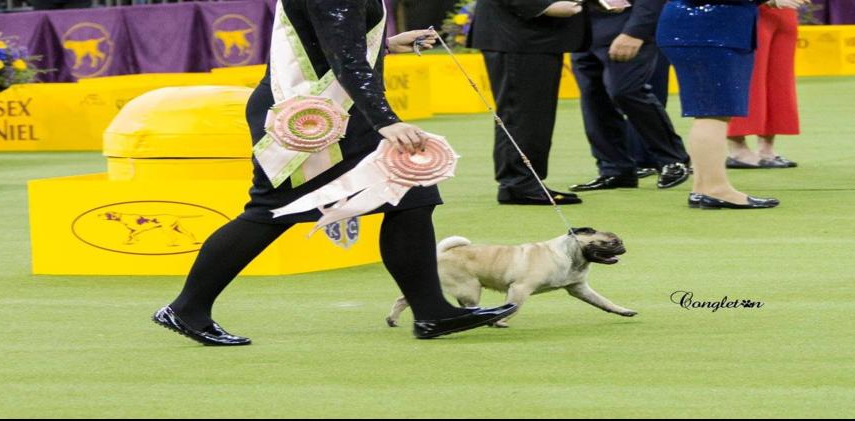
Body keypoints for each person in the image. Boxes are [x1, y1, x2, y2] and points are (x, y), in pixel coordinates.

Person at [154, 0, 515, 345]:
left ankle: (432, 312)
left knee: (411, 194)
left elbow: (329, 41)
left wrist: (384, 45)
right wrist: (387, 122)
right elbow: (344, 57)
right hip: (309, 118)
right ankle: (187, 308)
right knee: (269, 212)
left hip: (331, 110)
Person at [655, 0, 808, 210]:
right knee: (714, 113)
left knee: (707, 113)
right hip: (711, 31)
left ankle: (702, 188)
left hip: (701, 29)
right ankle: (716, 188)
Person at [471, 0, 591, 206]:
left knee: (533, 114)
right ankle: (519, 183)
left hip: (533, 36)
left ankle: (525, 181)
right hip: (519, 35)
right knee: (521, 113)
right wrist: (543, 5)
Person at [569, 0, 692, 192]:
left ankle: (674, 159)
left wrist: (636, 31)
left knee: (626, 91)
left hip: (625, 25)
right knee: (594, 99)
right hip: (582, 28)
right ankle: (614, 169)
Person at [726, 2, 800, 169]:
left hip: (785, 12)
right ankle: (737, 148)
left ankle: (766, 149)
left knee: (780, 83)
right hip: (752, 10)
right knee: (749, 79)